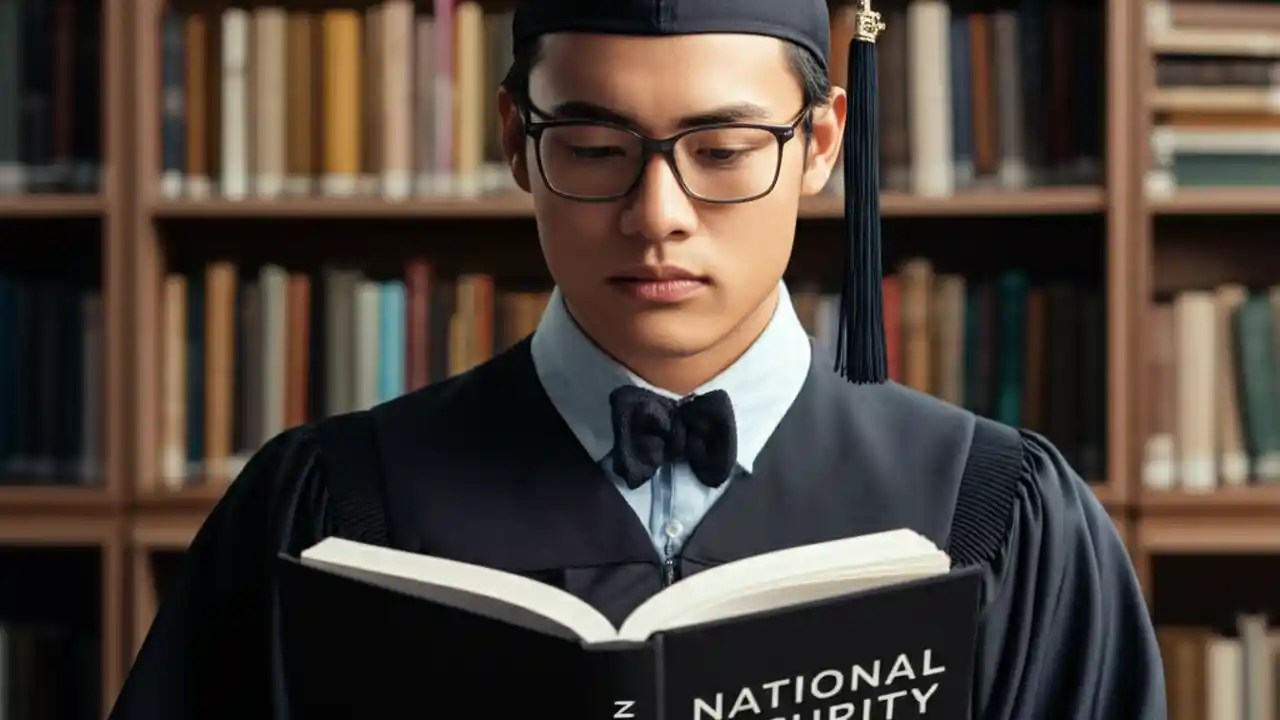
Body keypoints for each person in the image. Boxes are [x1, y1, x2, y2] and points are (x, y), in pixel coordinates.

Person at [107, 0, 1166, 717]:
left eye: (721, 151)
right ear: (516, 141)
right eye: (596, 150)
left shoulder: (997, 513)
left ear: (822, 144)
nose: (655, 217)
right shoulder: (331, 509)